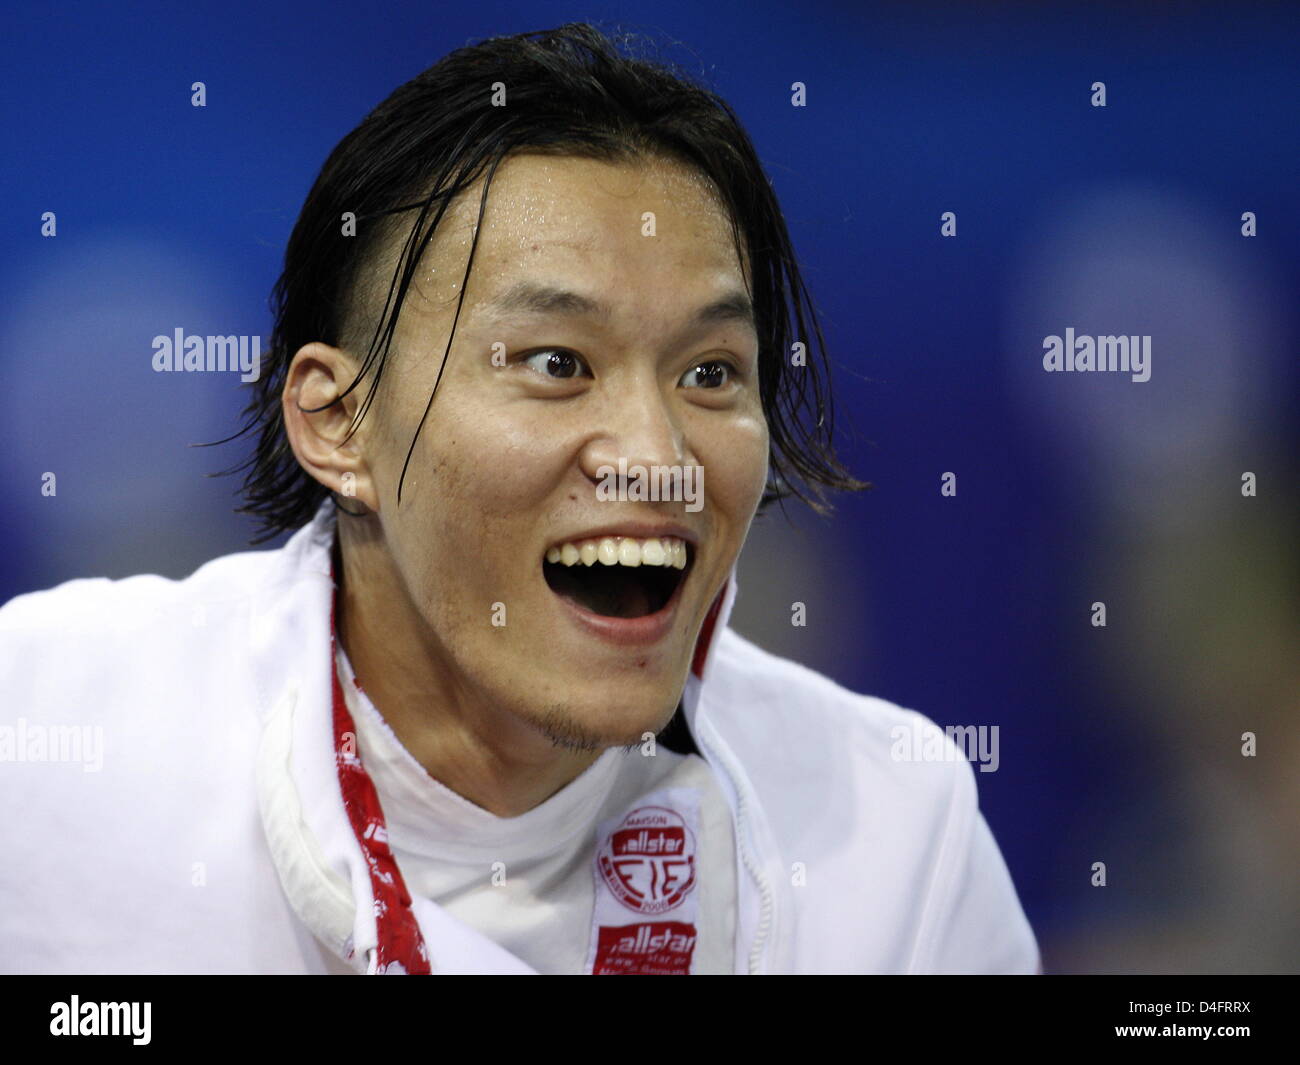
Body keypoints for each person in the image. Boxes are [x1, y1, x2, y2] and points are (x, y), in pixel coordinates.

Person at [0, 23, 1039, 974]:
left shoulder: (892, 829)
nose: (656, 458)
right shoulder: (45, 739)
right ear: (336, 422)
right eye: (555, 362)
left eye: (711, 373)